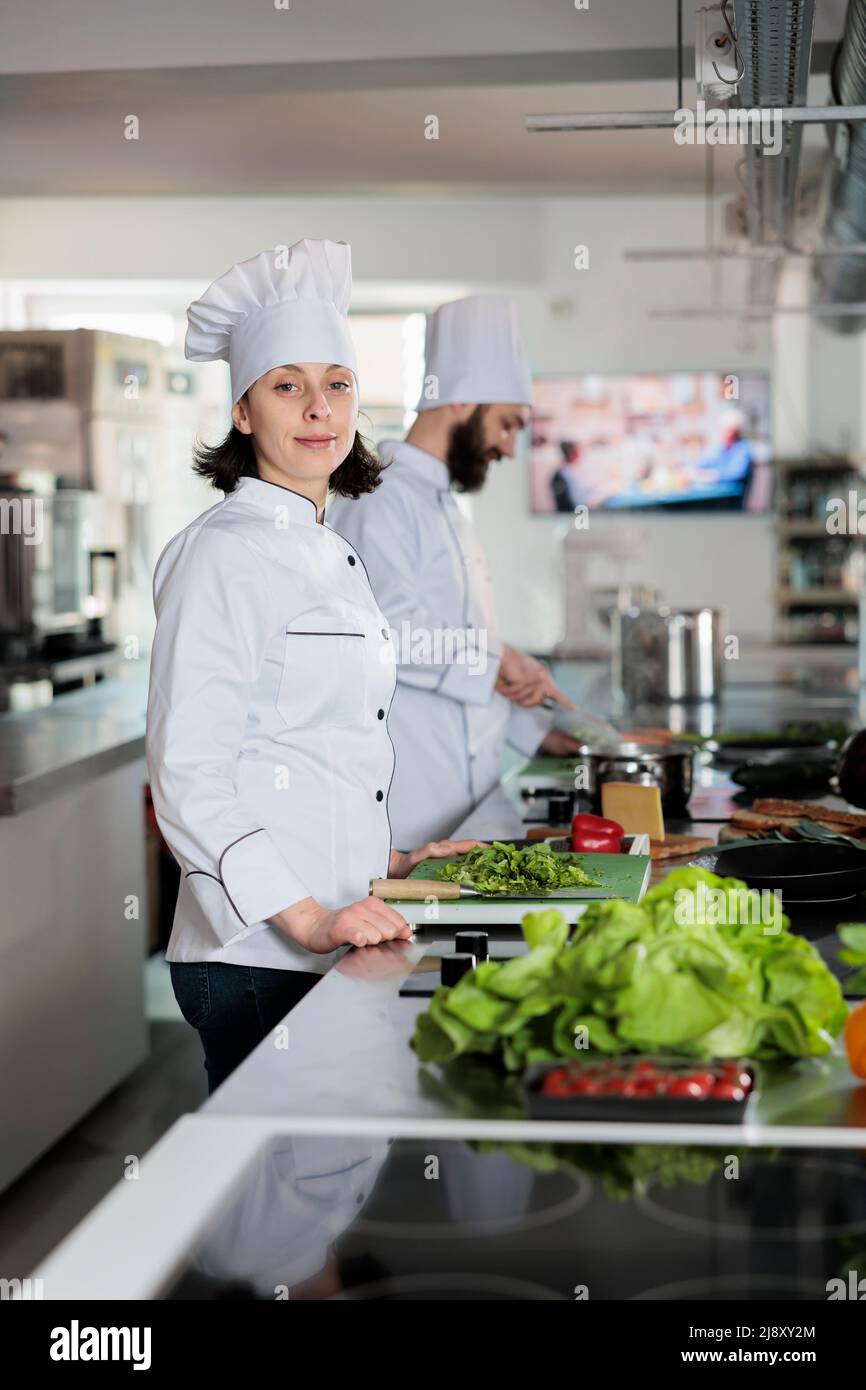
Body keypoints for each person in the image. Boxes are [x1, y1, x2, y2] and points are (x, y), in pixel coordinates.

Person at [146, 239, 476, 1092]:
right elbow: (189, 773)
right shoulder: (221, 554)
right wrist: (308, 917)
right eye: (287, 385)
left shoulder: (324, 548)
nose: (318, 406)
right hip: (260, 950)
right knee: (282, 1205)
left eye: (337, 383)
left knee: (318, 1195)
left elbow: (313, 750)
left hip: (332, 928)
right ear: (245, 413)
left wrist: (392, 862)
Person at [329, 293, 586, 848]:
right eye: (507, 424)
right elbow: (388, 633)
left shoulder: (442, 502)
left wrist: (534, 730)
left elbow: (455, 650)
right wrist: (501, 659)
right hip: (412, 804)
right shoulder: (381, 498)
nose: (511, 448)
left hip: (461, 801)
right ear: (463, 402)